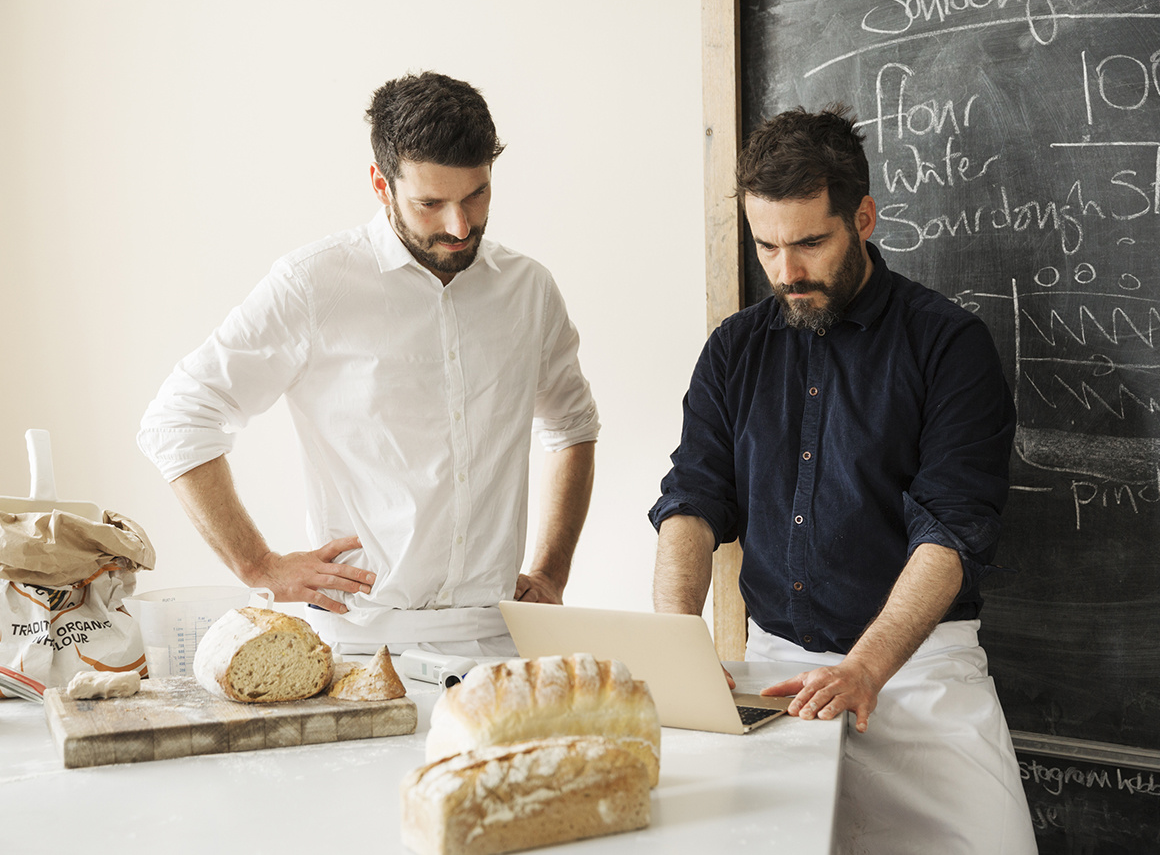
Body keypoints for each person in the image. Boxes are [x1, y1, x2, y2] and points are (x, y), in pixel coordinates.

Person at [649, 105, 1036, 854]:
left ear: (863, 217)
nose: (786, 272)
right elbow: (692, 500)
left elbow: (953, 531)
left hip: (919, 676)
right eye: (767, 246)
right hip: (773, 675)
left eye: (809, 244)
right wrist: (675, 641)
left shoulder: (949, 346)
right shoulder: (734, 348)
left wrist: (864, 668)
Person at [139, 72, 599, 657]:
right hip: (358, 641)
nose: (459, 227)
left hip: (500, 639)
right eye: (430, 203)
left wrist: (552, 572)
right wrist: (258, 564)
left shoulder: (529, 289)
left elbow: (573, 427)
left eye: (476, 195)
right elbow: (177, 419)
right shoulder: (313, 284)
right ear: (381, 184)